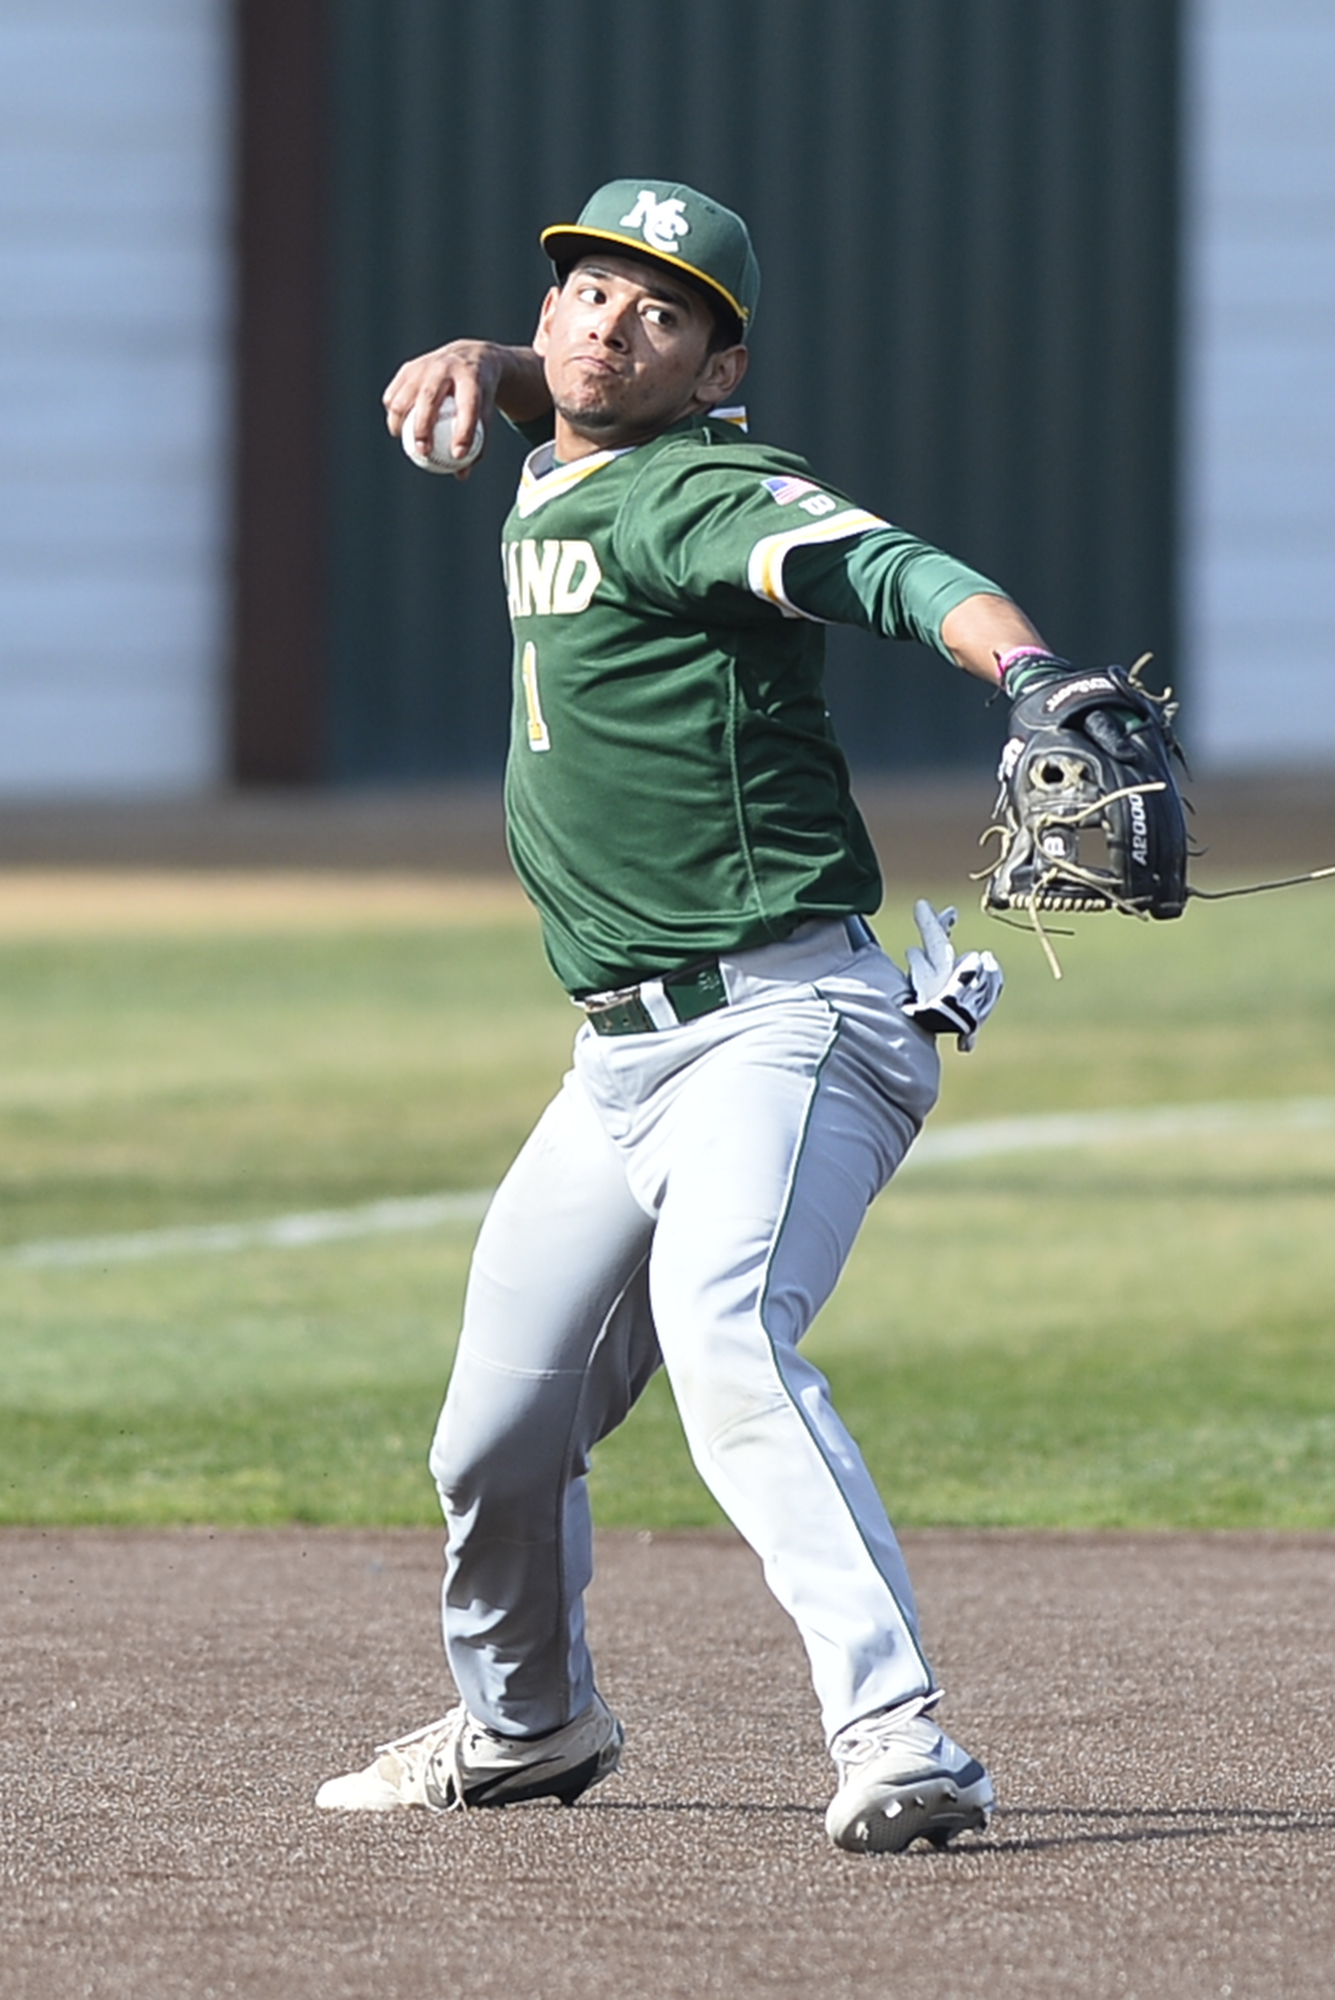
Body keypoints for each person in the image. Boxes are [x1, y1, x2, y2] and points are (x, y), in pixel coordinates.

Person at [316, 179, 1053, 1854]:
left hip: (783, 1029)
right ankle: (528, 1725)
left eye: (662, 312)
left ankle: (901, 1737)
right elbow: (564, 400)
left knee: (728, 1337)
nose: (608, 321)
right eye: (588, 287)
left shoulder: (708, 487)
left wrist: (1032, 673)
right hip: (619, 1060)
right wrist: (495, 362)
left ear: (721, 371)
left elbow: (882, 564)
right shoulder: (576, 438)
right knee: (495, 1440)